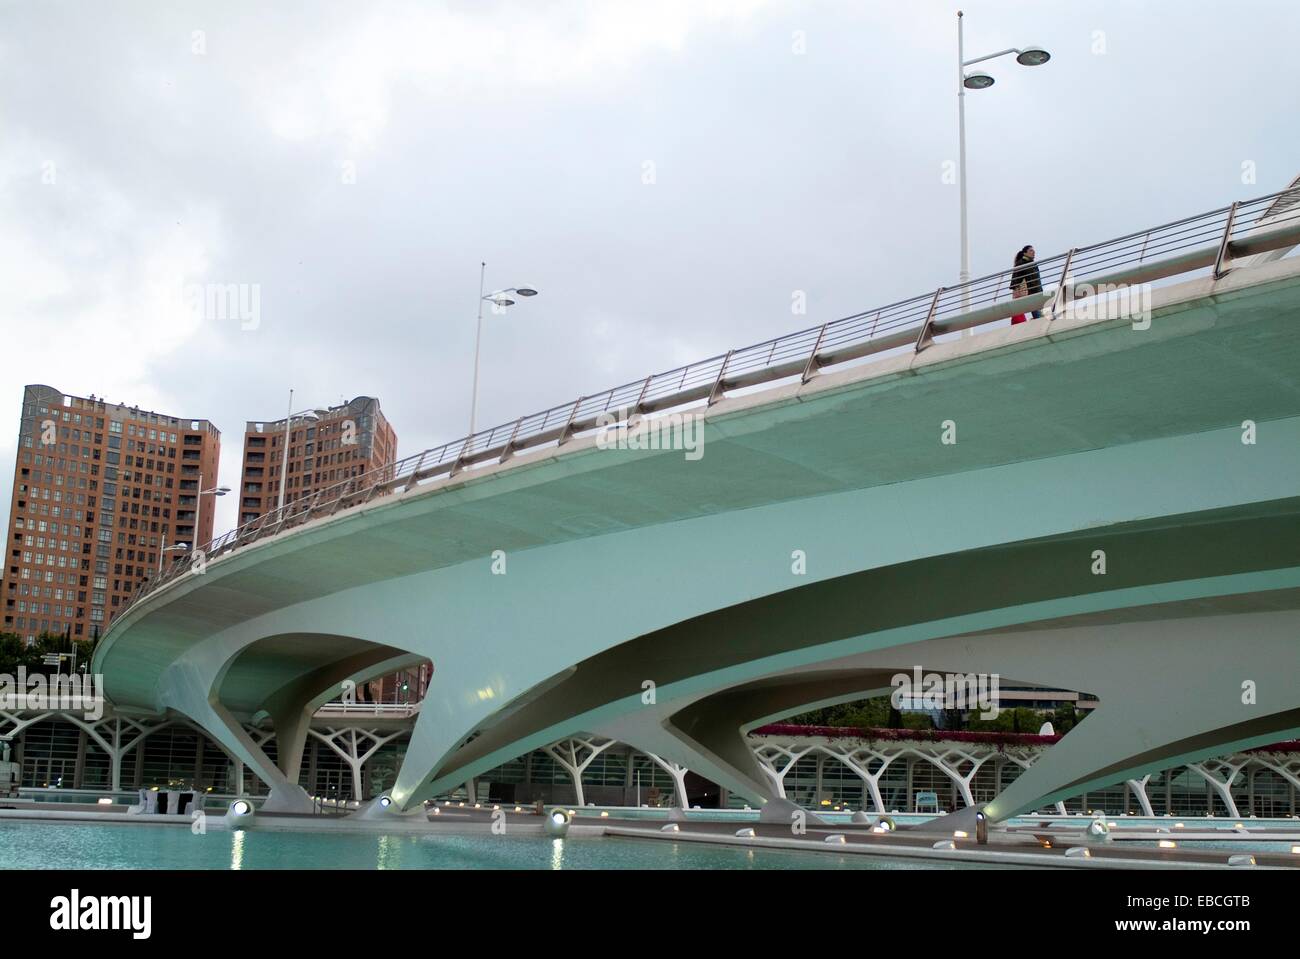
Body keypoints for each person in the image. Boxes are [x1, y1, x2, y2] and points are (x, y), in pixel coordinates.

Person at [1009, 245, 1044, 322]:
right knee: (1038, 316)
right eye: (1031, 250)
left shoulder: (1033, 263)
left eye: (1033, 250)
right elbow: (1016, 279)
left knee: (1041, 315)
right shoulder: (1021, 263)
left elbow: (1037, 280)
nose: (1034, 252)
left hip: (1038, 292)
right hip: (1031, 293)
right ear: (1025, 253)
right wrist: (1017, 291)